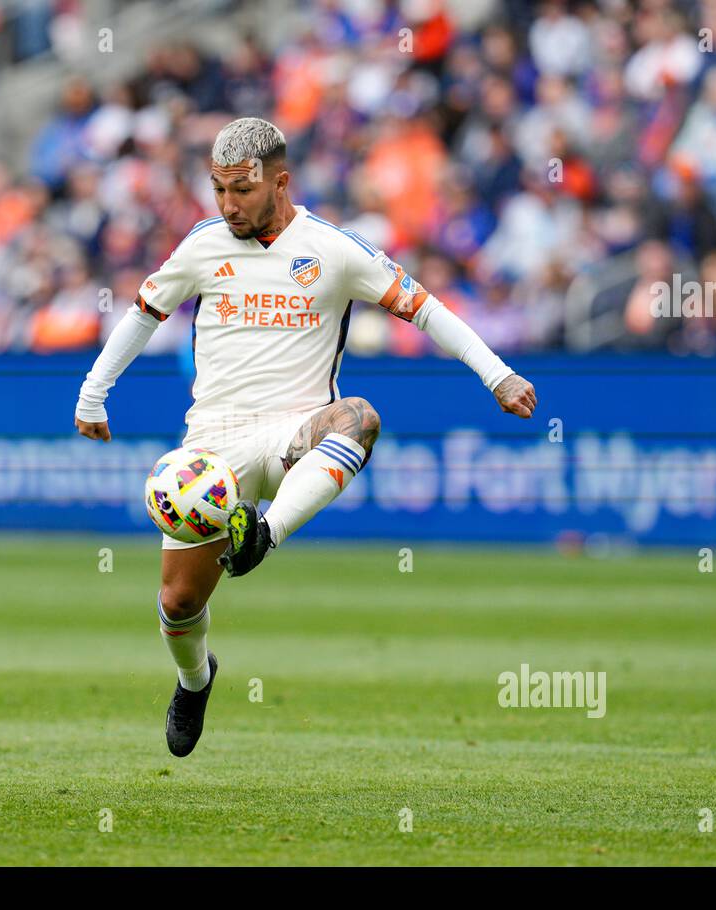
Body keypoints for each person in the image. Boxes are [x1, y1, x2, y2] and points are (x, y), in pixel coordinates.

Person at [73, 118, 537, 757]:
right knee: (179, 603)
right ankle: (195, 678)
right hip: (213, 445)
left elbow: (425, 308)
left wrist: (498, 375)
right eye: (219, 190)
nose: (229, 205)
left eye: (242, 190)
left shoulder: (334, 249)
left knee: (361, 417)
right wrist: (92, 395)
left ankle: (263, 534)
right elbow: (142, 315)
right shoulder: (204, 245)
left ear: (280, 181)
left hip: (297, 428)